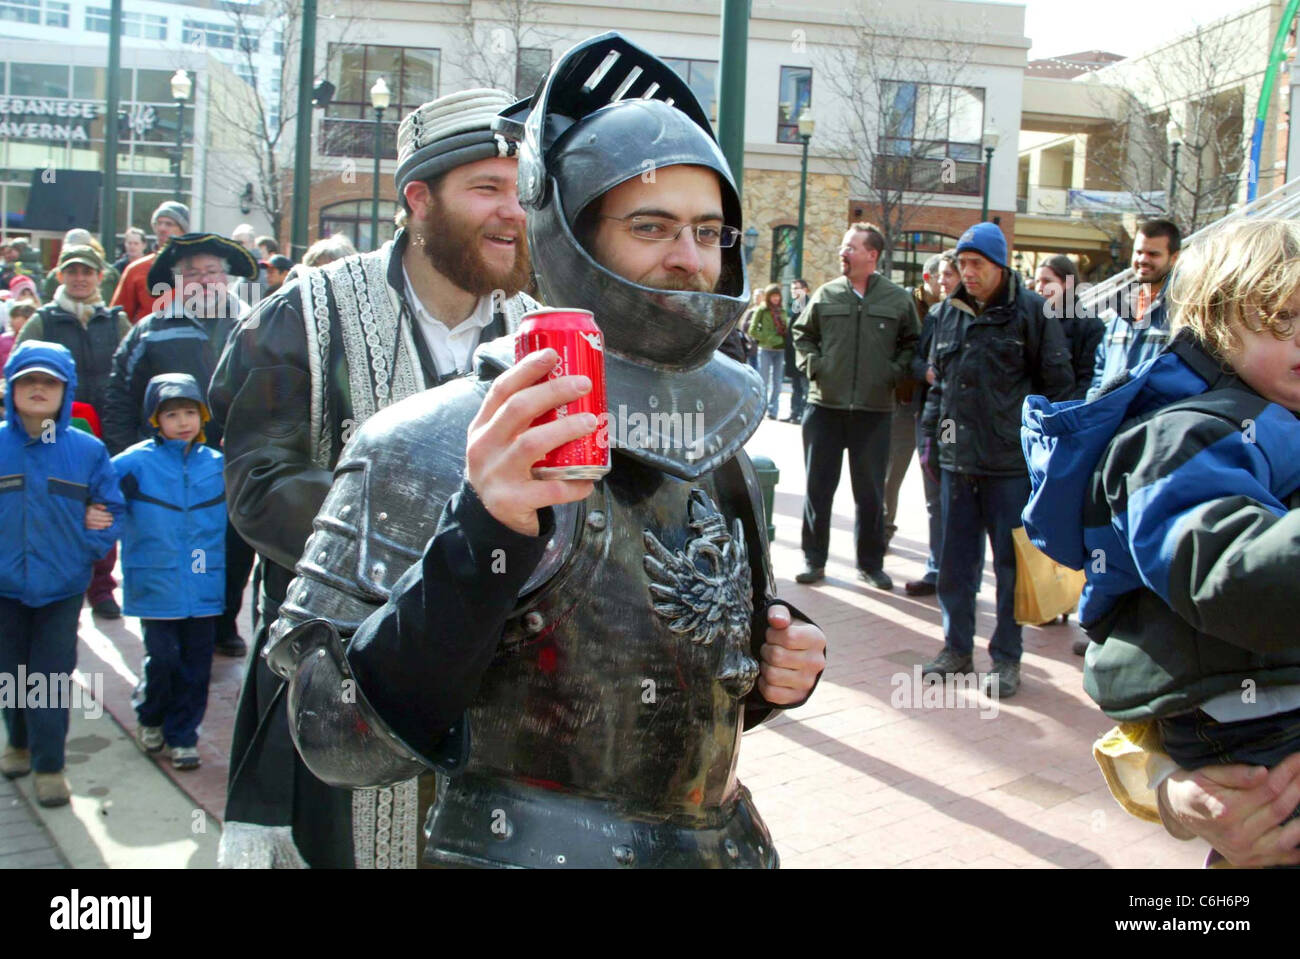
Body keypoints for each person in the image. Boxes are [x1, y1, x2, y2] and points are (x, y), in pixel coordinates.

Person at [262, 33, 824, 871]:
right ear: (569, 234)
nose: (690, 257)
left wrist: (780, 661)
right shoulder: (433, 440)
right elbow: (333, 733)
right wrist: (479, 532)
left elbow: (678, 677)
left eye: (709, 231)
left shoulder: (722, 434)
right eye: (651, 226)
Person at [209, 87, 541, 869]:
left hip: (499, 690)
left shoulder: (540, 326)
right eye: (487, 188)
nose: (513, 212)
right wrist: (425, 540)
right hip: (347, 678)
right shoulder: (307, 312)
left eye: (520, 189)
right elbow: (258, 483)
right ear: (418, 199)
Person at [1024, 218, 1300, 860]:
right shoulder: (1181, 436)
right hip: (1254, 728)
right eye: (1283, 317)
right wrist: (1169, 791)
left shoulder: (1270, 417)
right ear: (1217, 321)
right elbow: (1228, 573)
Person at [918, 223, 1072, 697]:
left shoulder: (1032, 313)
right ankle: (956, 649)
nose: (968, 273)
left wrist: (1044, 454)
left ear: (1000, 266)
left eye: (977, 265)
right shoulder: (945, 314)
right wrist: (929, 440)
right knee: (954, 564)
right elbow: (937, 385)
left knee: (1010, 566)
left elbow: (1057, 386)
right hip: (955, 463)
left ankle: (1006, 658)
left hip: (1009, 467)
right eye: (962, 265)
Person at [103, 233, 255, 656]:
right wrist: (130, 462)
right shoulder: (150, 331)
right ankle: (169, 630)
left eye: (211, 271)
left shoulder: (253, 325)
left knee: (232, 547)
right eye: (192, 273)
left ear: (226, 279)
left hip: (232, 467)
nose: (203, 280)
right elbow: (119, 398)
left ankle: (222, 624)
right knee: (172, 549)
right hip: (164, 472)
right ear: (176, 281)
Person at [0, 341, 123, 806]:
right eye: (27, 381)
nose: (37, 389)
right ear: (11, 388)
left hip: (61, 588)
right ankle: (18, 742)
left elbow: (110, 508)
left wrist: (84, 547)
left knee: (49, 677)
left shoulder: (87, 450)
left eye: (48, 382)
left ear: (65, 390)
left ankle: (50, 765)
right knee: (10, 673)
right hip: (4, 588)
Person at [792, 222, 919, 590]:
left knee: (870, 494)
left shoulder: (897, 299)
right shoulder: (826, 294)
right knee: (818, 488)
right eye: (842, 247)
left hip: (874, 412)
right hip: (824, 409)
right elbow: (803, 335)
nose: (842, 253)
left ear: (871, 255)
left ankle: (870, 564)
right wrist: (815, 367)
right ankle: (814, 560)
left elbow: (913, 343)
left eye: (850, 248)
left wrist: (892, 374)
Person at [112, 373, 226, 771]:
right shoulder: (132, 464)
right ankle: (150, 715)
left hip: (204, 585)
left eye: (190, 412)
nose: (182, 421)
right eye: (172, 414)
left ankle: (183, 736)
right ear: (154, 420)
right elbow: (100, 500)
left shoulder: (219, 465)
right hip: (155, 583)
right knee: (162, 659)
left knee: (197, 667)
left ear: (203, 417)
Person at [16, 244, 132, 618]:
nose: (79, 278)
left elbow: (130, 374)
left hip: (106, 428)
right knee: (53, 500)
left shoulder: (115, 321)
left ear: (100, 276)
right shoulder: (43, 321)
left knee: (102, 505)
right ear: (60, 276)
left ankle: (101, 587)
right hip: (52, 429)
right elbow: (19, 369)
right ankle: (51, 578)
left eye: (87, 271)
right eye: (72, 271)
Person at [903, 251, 957, 597]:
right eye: (944, 275)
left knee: (964, 499)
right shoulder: (935, 315)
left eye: (953, 273)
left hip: (970, 423)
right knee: (935, 499)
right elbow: (915, 358)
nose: (947, 281)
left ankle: (962, 572)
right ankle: (938, 569)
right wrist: (924, 370)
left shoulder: (994, 317)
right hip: (934, 418)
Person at [1088, 218, 1180, 399]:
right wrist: (1093, 403)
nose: (1142, 260)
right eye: (1138, 252)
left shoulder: (1183, 311)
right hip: (1110, 421)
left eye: (1153, 254)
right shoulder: (1120, 308)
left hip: (1152, 422)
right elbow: (1101, 367)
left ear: (1174, 258)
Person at [1034, 254, 1103, 403]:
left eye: (1047, 282)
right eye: (1037, 281)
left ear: (1067, 284)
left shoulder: (1090, 325)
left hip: (1064, 413)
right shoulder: (1031, 321)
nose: (1040, 288)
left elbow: (1088, 379)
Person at [111, 203, 189, 323]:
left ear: (183, 231)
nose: (162, 229)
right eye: (159, 223)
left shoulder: (197, 270)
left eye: (169, 224)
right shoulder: (136, 269)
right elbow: (117, 318)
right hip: (146, 339)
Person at [749, 283, 787, 419]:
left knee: (777, 382)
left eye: (778, 296)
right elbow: (752, 330)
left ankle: (773, 410)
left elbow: (786, 329)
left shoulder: (782, 310)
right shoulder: (762, 309)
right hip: (765, 349)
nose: (776, 299)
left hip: (780, 350)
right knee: (763, 381)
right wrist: (768, 339)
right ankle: (760, 410)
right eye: (773, 296)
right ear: (769, 296)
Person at [781, 278, 809, 422]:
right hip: (793, 353)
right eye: (792, 289)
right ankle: (794, 413)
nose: (794, 291)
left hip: (802, 353)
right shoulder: (796, 305)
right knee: (796, 385)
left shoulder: (807, 305)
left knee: (804, 387)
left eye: (796, 288)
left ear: (804, 290)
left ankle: (803, 415)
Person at [0, 300, 35, 370]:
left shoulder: (36, 341)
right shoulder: (3, 339)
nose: (13, 321)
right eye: (13, 317)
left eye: (17, 317)